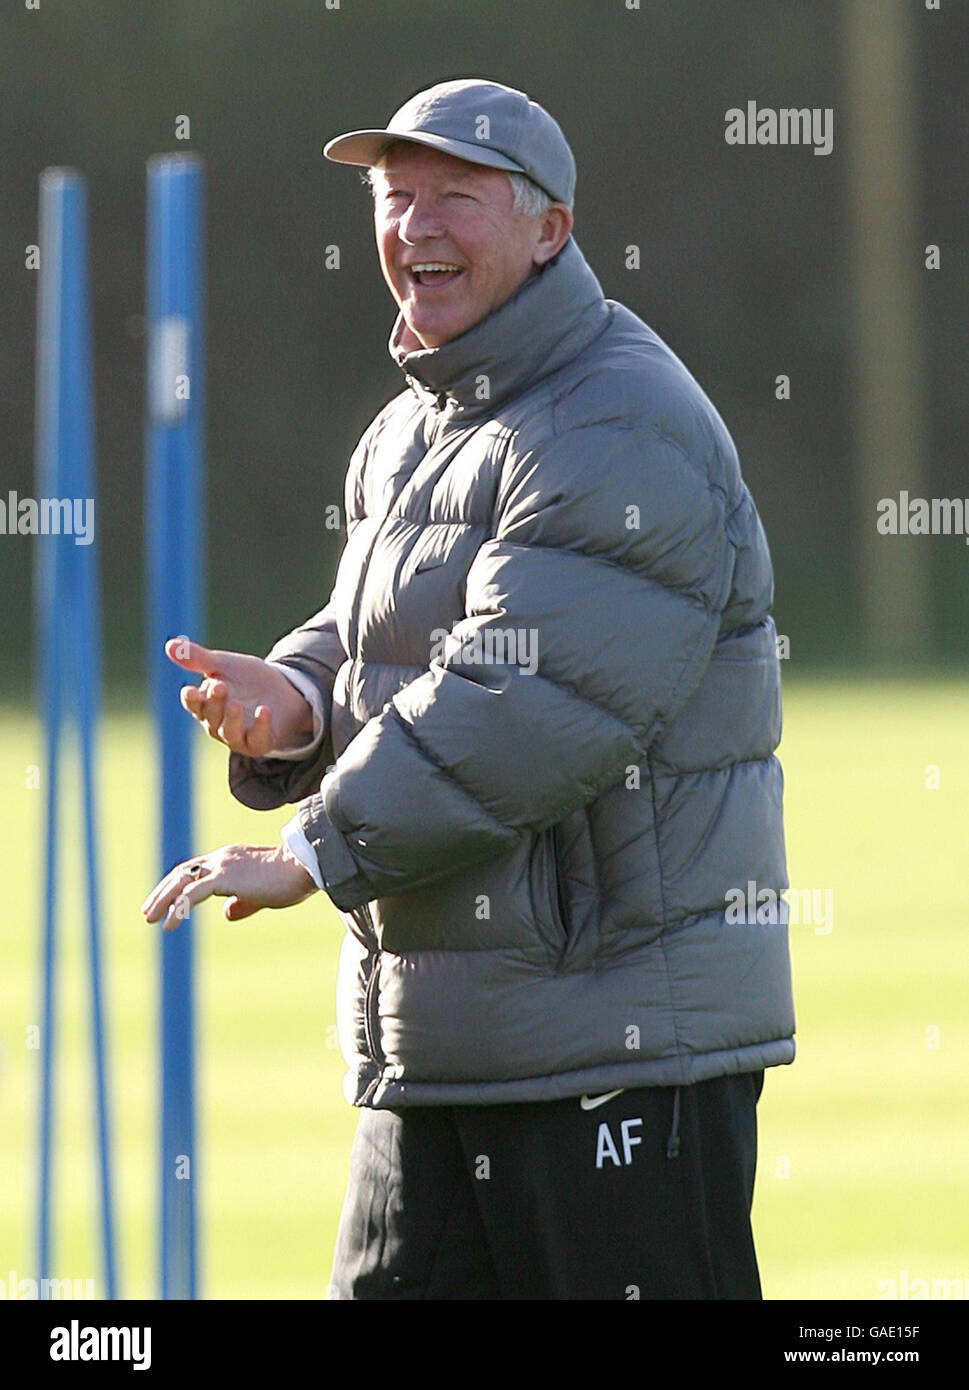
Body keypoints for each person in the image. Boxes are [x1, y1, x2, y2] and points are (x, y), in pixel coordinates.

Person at [141, 78, 795, 1300]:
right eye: (396, 197)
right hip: (442, 1053)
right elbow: (376, 638)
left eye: (457, 196)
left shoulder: (622, 420)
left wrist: (312, 848)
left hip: (616, 1057)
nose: (415, 226)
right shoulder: (411, 426)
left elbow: (521, 704)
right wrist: (296, 697)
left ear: (551, 228)